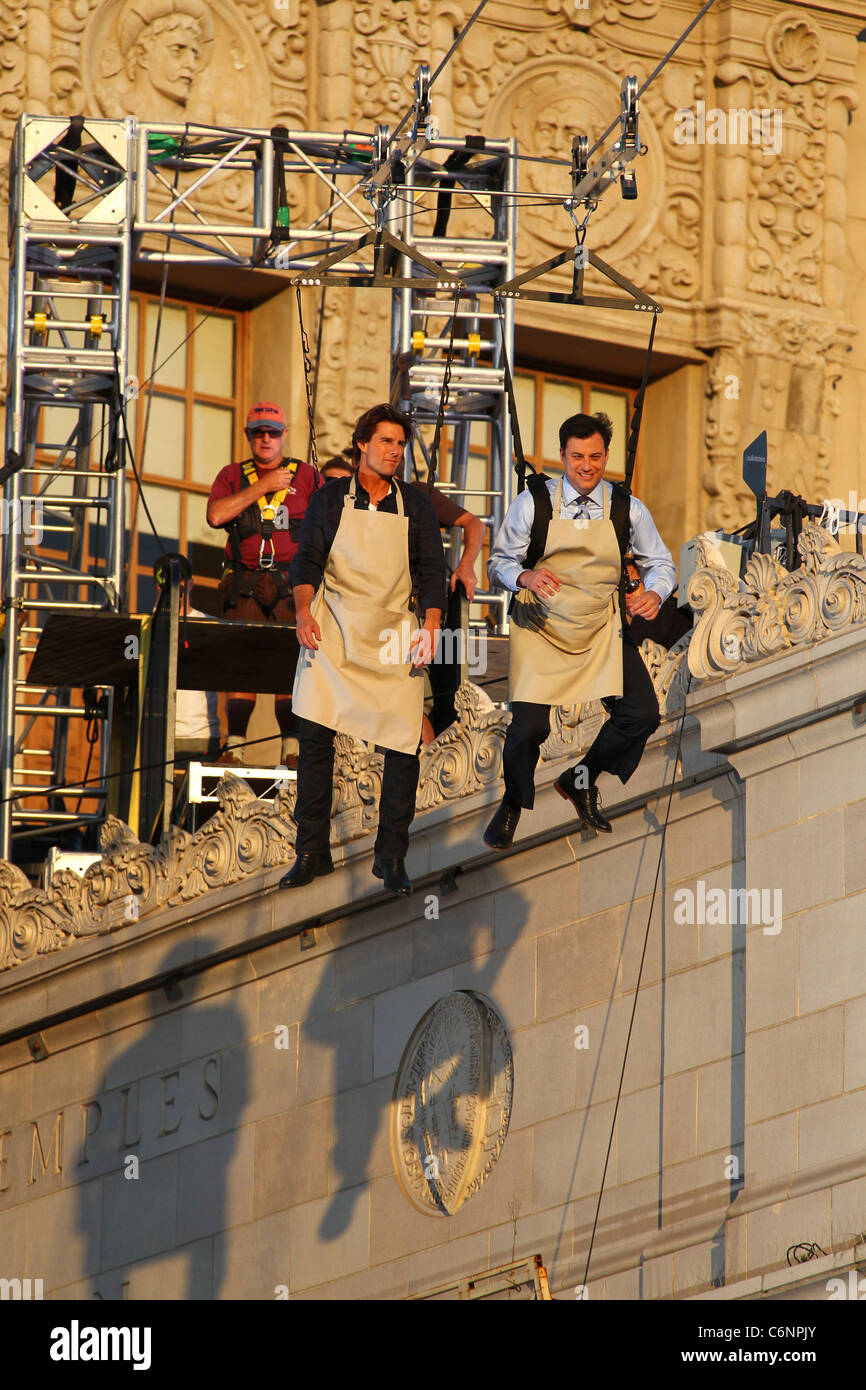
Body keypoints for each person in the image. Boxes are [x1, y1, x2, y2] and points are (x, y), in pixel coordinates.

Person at [484, 410, 676, 847]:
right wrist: (526, 577)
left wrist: (655, 593)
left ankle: (580, 779)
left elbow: (661, 563)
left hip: (599, 629)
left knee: (641, 713)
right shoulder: (535, 502)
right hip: (542, 631)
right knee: (529, 729)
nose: (586, 466)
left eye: (594, 456)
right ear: (562, 456)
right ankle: (513, 801)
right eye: (576, 457)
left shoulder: (627, 507)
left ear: (606, 455)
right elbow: (498, 563)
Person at [280, 403, 446, 896]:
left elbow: (432, 572)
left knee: (402, 746)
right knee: (314, 738)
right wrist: (303, 613)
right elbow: (306, 560)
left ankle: (391, 857)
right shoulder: (330, 498)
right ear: (363, 445)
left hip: (394, 634)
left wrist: (431, 627)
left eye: (400, 444)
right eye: (386, 442)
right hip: (333, 631)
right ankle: (311, 851)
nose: (395, 452)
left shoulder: (415, 505)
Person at [316, 447, 486, 738]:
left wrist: (467, 564)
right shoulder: (345, 500)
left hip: (405, 618)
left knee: (408, 706)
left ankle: (424, 779)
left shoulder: (417, 496)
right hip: (356, 619)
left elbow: (473, 523)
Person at [206, 401, 322, 767]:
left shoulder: (306, 475)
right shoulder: (232, 475)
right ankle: (235, 747)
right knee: (243, 661)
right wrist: (265, 486)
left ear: (285, 435)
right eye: (259, 433)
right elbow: (216, 515)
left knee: (291, 665)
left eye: (273, 432)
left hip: (293, 585)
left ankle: (292, 751)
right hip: (245, 582)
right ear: (249, 436)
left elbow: (327, 526)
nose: (266, 439)